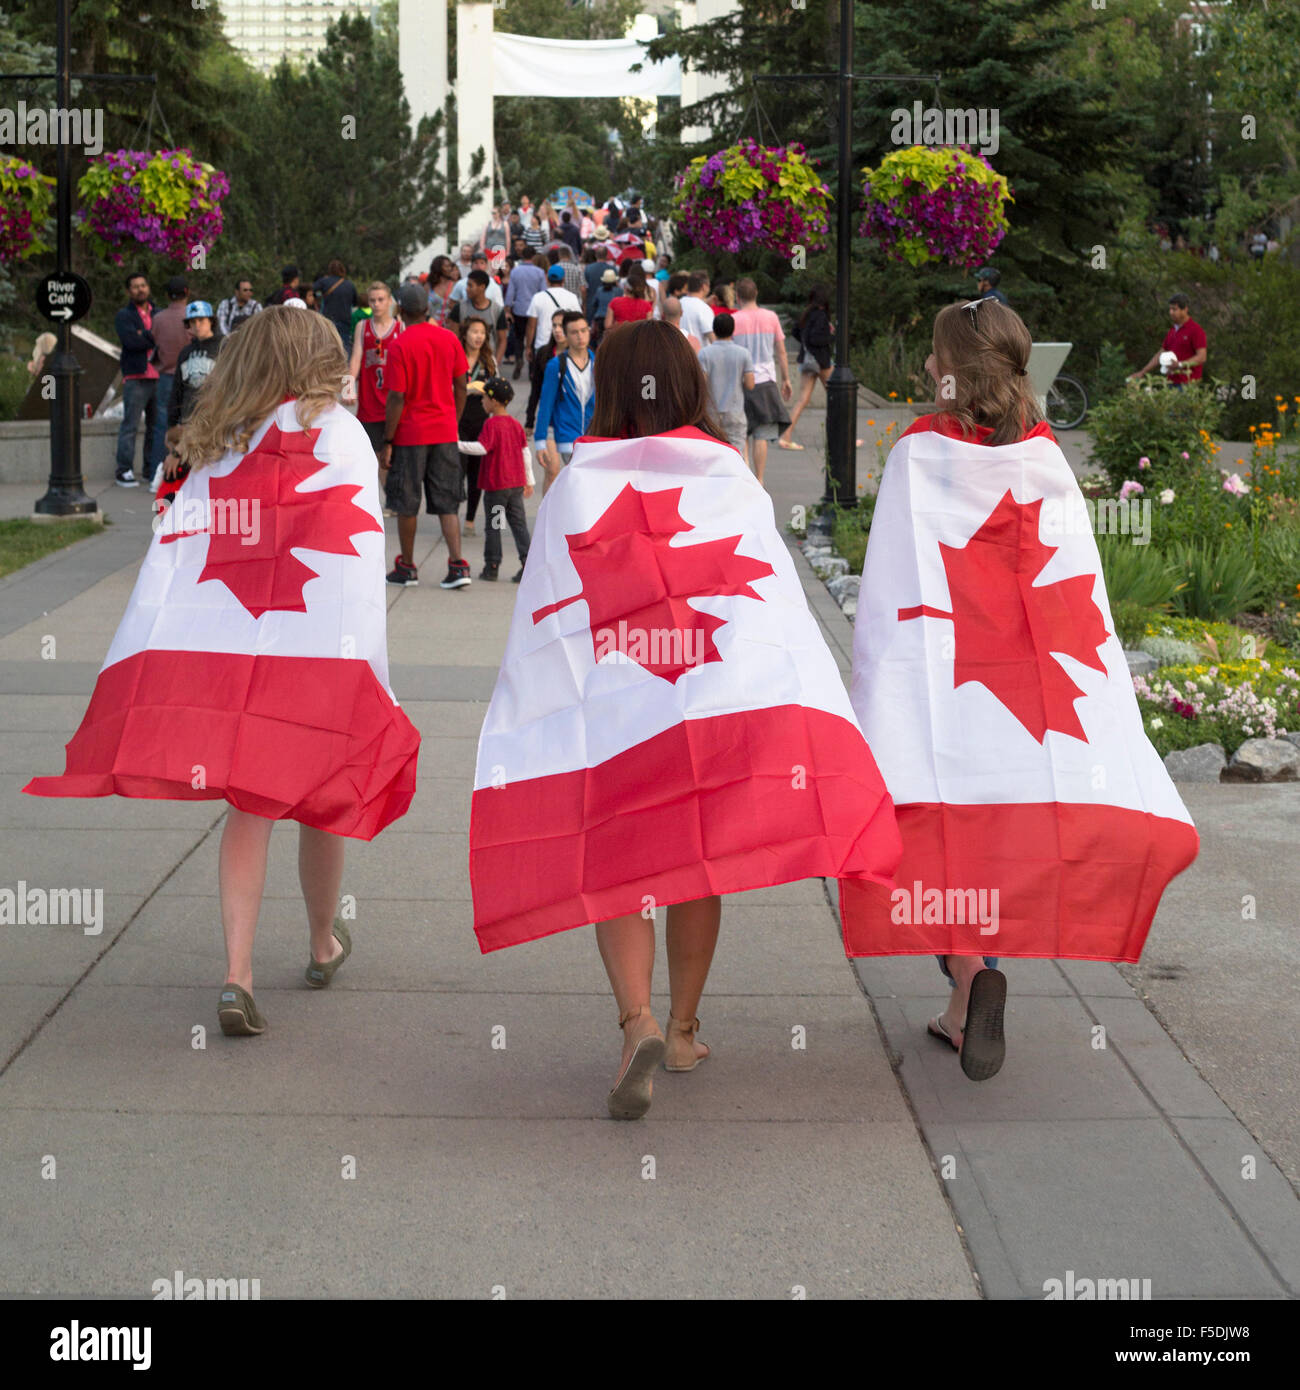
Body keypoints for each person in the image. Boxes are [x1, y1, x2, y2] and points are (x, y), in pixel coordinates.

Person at [467, 318, 901, 1118]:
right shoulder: (729, 476)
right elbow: (769, 606)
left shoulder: (577, 486)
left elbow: (548, 620)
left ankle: (636, 1024)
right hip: (706, 709)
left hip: (613, 715)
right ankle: (686, 1027)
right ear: (688, 388)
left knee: (621, 866)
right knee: (693, 862)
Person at [26, 306, 420, 1036]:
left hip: (231, 656)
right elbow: (356, 559)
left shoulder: (213, 440)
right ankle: (320, 941)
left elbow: (171, 547)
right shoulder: (340, 437)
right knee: (319, 796)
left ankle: (237, 973)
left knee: (249, 804)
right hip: (313, 655)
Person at [843, 296, 1198, 1079]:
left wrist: (881, 683)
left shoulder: (917, 454)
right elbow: (1078, 591)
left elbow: (892, 584)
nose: (929, 368)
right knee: (1005, 823)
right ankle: (971, 992)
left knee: (939, 828)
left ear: (950, 370)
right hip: (1029, 692)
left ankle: (967, 978)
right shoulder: (1044, 457)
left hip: (946, 679)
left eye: (935, 357)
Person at [377, 281, 471, 590]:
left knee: (406, 503)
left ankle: (407, 566)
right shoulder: (449, 339)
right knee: (447, 501)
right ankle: (458, 566)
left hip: (409, 435)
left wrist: (387, 440)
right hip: (444, 431)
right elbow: (461, 385)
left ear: (401, 311)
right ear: (427, 309)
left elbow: (396, 397)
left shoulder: (400, 346)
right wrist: (452, 420)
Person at [461, 376, 532, 581]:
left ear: (494, 401)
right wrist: (529, 480)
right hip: (515, 486)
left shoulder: (491, 425)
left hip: (497, 487)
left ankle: (492, 564)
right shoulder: (515, 425)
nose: (482, 402)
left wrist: (457, 444)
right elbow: (525, 452)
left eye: (483, 398)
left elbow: (482, 448)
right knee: (519, 524)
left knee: (495, 525)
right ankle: (527, 562)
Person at [731, 278, 792, 486]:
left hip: (741, 381)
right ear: (756, 293)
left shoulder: (734, 320)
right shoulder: (771, 317)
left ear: (737, 296)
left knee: (743, 431)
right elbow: (781, 351)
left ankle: (744, 475)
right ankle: (760, 478)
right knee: (762, 434)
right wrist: (786, 379)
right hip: (766, 380)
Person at [533, 310, 594, 489]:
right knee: (578, 486)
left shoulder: (598, 363)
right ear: (566, 336)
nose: (580, 336)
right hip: (568, 437)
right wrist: (540, 440)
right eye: (574, 332)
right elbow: (546, 404)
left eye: (584, 330)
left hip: (593, 438)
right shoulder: (556, 365)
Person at [349, 280, 404, 476]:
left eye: (381, 300)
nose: (376, 304)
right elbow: (355, 358)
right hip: (369, 402)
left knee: (392, 456)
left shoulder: (401, 328)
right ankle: (384, 501)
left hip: (393, 402)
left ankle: (391, 500)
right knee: (373, 456)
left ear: (390, 301)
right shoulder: (362, 327)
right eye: (372, 300)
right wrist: (348, 385)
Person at [112, 270, 158, 487]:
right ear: (129, 291)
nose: (141, 289)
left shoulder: (158, 313)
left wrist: (143, 335)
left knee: (155, 426)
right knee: (130, 425)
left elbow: (162, 338)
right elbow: (131, 342)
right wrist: (151, 336)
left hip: (158, 375)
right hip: (136, 377)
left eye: (143, 285)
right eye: (135, 286)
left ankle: (150, 469)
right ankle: (124, 470)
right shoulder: (124, 316)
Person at [524, 264, 581, 427]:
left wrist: (528, 346)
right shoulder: (571, 297)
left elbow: (531, 325)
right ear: (563, 280)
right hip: (566, 347)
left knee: (541, 385)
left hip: (543, 346)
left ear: (547, 279)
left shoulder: (538, 297)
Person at [778, 284, 834, 451]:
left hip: (807, 361)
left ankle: (786, 435)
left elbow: (796, 331)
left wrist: (805, 343)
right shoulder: (821, 315)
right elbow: (816, 338)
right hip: (822, 362)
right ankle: (843, 437)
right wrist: (830, 336)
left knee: (802, 400)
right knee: (837, 399)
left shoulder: (806, 314)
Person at [148, 275, 191, 486]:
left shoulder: (158, 318)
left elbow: (153, 341)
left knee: (162, 425)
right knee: (190, 424)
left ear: (167, 295)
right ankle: (185, 471)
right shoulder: (191, 317)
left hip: (165, 376)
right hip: (190, 376)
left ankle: (156, 470)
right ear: (187, 293)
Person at [455, 316, 497, 536]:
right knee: (456, 470)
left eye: (482, 333)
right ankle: (451, 515)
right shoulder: (455, 357)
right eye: (474, 332)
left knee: (476, 473)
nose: (478, 336)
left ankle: (470, 520)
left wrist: (485, 390)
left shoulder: (489, 362)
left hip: (481, 421)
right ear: (465, 334)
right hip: (458, 419)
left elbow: (498, 391)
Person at [697, 312, 754, 457]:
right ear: (733, 330)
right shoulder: (743, 354)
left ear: (714, 330)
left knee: (712, 454)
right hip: (735, 412)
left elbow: (701, 384)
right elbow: (750, 384)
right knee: (737, 455)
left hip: (711, 413)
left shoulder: (704, 354)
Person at [1127, 292, 1207, 387]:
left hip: (1188, 384)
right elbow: (1161, 352)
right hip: (1171, 382)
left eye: (1174, 309)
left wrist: (1180, 365)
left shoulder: (1195, 330)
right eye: (1170, 309)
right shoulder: (1173, 330)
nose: (1171, 312)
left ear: (1185, 309)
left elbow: (1202, 357)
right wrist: (1143, 372)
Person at [448, 268, 508, 363]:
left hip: (487, 362)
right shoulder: (459, 308)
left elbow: (502, 340)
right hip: (463, 363)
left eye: (470, 286)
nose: (467, 289)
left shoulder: (496, 310)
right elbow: (452, 337)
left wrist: (496, 362)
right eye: (467, 285)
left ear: (482, 287)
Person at [504, 251, 546, 380]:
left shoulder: (515, 271)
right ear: (533, 257)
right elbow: (543, 291)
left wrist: (507, 308)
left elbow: (511, 291)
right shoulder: (539, 272)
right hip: (534, 310)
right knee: (532, 339)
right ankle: (532, 368)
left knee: (518, 338)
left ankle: (518, 359)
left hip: (519, 309)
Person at [313, 259, 358, 347]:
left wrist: (316, 299)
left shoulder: (324, 282)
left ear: (330, 270)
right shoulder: (350, 285)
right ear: (342, 270)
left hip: (328, 318)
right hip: (345, 319)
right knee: (344, 346)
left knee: (327, 346)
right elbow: (355, 302)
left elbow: (311, 290)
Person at [605, 262, 655, 332]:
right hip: (638, 339)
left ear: (626, 288)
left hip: (620, 337)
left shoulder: (615, 302)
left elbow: (607, 325)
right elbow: (649, 329)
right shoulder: (647, 306)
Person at [678, 270, 716, 346]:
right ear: (704, 286)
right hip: (698, 354)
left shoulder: (678, 303)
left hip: (679, 353)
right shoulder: (704, 309)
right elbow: (712, 338)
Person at [426, 254, 460, 330]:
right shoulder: (428, 286)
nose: (449, 269)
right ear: (438, 268)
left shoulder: (455, 286)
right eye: (446, 266)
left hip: (450, 329)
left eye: (450, 266)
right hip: (432, 328)